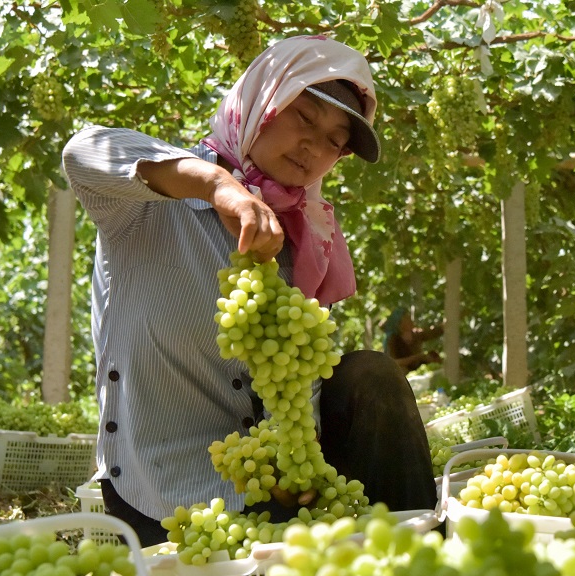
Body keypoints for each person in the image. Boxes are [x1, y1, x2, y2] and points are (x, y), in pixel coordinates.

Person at [62, 35, 437, 547]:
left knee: (371, 374)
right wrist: (217, 185)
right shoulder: (152, 201)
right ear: (263, 102)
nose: (314, 147)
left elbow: (295, 381)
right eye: (304, 117)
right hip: (162, 491)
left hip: (265, 486)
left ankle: (418, 567)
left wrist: (297, 468)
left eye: (334, 139)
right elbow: (83, 152)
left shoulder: (300, 238)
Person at [383, 307, 444, 373]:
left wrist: (443, 327)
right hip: (402, 374)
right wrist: (417, 357)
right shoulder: (392, 340)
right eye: (407, 319)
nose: (410, 320)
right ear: (399, 324)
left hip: (417, 369)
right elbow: (394, 362)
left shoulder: (416, 334)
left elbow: (432, 333)